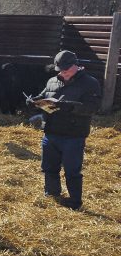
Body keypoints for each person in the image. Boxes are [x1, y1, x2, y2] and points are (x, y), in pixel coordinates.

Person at [30, 50, 101, 210]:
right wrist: (34, 101)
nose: (63, 72)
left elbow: (92, 108)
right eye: (60, 69)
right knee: (49, 167)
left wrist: (68, 107)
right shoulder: (52, 81)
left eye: (66, 68)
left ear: (76, 65)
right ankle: (52, 194)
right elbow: (43, 96)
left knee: (72, 171)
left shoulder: (90, 83)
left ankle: (75, 202)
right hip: (51, 132)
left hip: (73, 135)